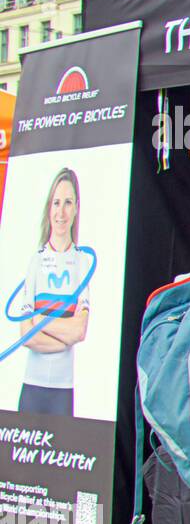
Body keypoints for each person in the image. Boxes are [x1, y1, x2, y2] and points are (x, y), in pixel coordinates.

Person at [18, 168, 92, 417]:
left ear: (76, 208)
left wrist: (40, 320)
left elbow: (79, 331)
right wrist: (63, 335)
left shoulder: (82, 263)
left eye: (68, 203)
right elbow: (27, 336)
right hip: (31, 387)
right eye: (56, 203)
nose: (61, 212)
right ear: (49, 207)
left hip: (63, 390)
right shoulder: (35, 261)